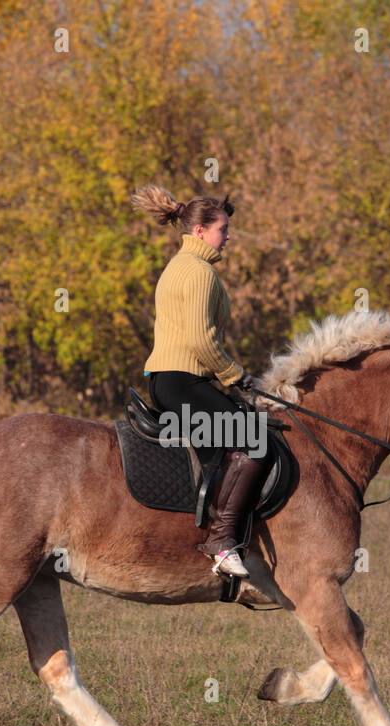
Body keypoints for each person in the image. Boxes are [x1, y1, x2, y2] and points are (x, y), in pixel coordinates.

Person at [131, 184, 267, 578]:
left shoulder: (181, 265)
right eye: (223, 229)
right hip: (182, 381)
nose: (228, 236)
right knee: (255, 442)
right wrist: (236, 375)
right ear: (200, 232)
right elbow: (200, 339)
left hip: (171, 379)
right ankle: (223, 544)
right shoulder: (199, 272)